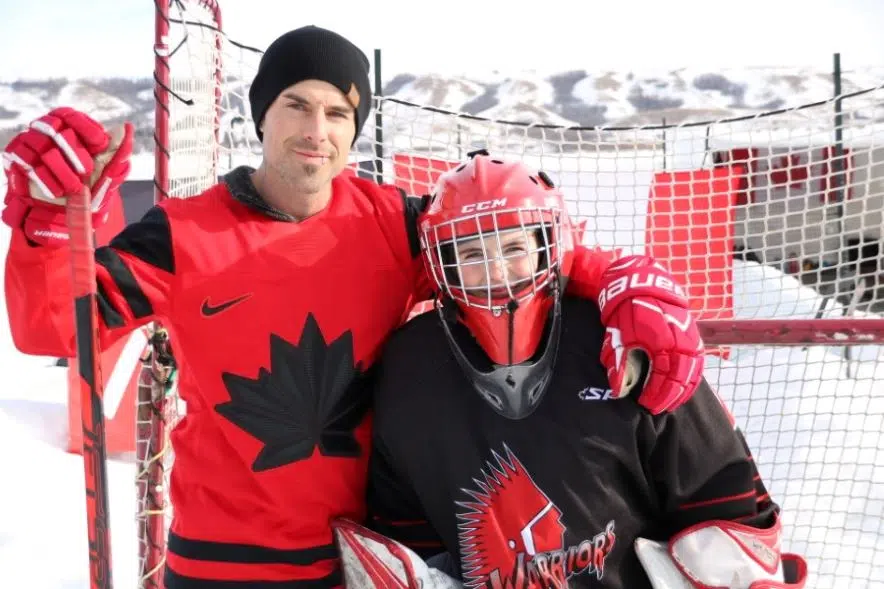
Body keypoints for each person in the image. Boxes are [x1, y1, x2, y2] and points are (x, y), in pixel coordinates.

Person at [2, 27, 704, 588]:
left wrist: (621, 278)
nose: (318, 128)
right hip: (215, 564)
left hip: (352, 561)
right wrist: (43, 228)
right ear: (261, 115)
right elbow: (49, 327)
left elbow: (504, 249)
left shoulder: (394, 225)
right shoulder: (181, 232)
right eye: (297, 105)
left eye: (339, 111)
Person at [363, 153, 808, 588]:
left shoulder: (624, 334)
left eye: (514, 246)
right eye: (471, 252)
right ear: (440, 261)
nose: (496, 271)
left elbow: (721, 494)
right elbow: (407, 526)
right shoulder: (410, 365)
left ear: (547, 243)